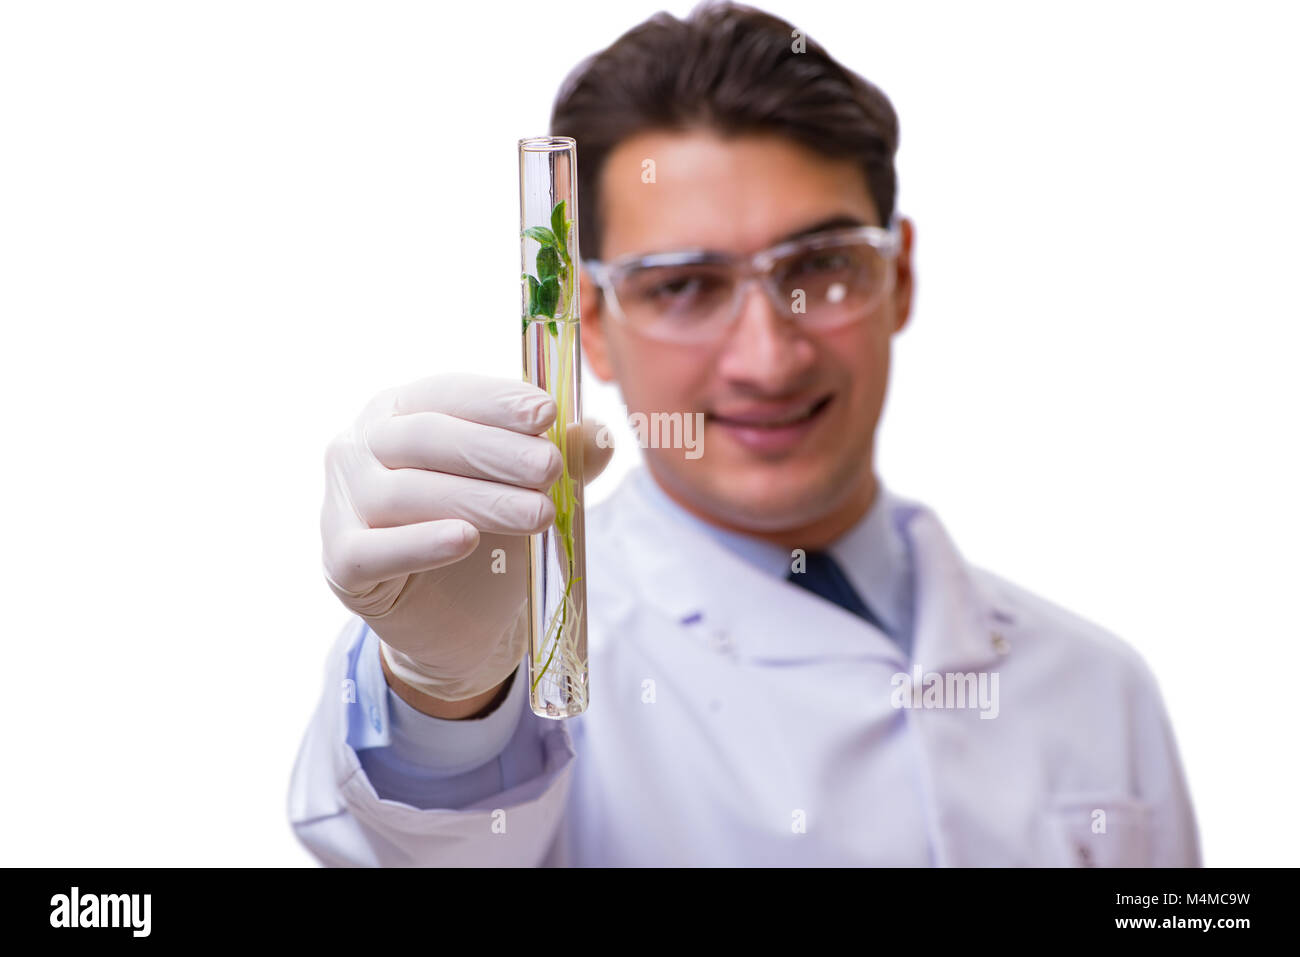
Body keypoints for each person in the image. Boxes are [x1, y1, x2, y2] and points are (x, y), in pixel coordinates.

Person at [288, 1, 1200, 866]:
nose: (768, 358)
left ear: (902, 276)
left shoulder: (1099, 685)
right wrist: (444, 702)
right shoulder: (525, 652)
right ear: (591, 323)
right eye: (684, 283)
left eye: (823, 266)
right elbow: (429, 847)